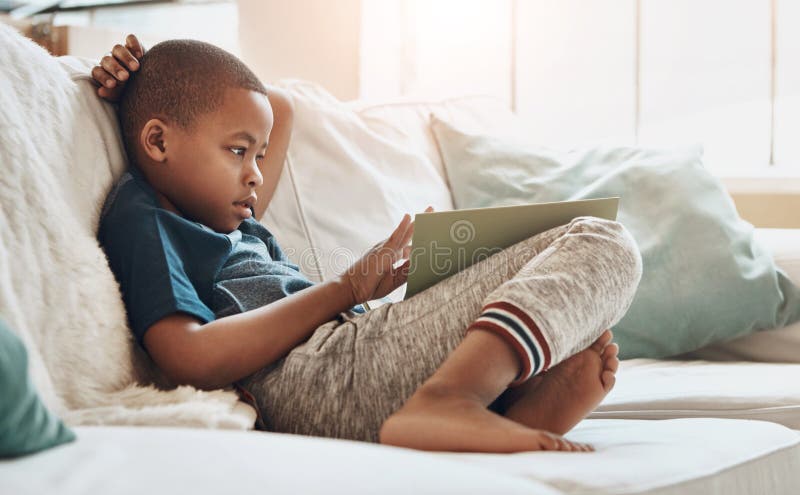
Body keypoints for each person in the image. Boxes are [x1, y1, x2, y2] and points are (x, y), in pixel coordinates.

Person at [93, 34, 643, 454]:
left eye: (259, 156)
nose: (257, 175)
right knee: (602, 241)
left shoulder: (230, 217)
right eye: (239, 152)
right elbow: (189, 357)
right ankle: (451, 400)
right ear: (159, 140)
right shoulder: (147, 214)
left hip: (350, 365)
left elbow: (276, 107)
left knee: (571, 315)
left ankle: (502, 414)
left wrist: (144, 80)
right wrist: (345, 287)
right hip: (320, 373)